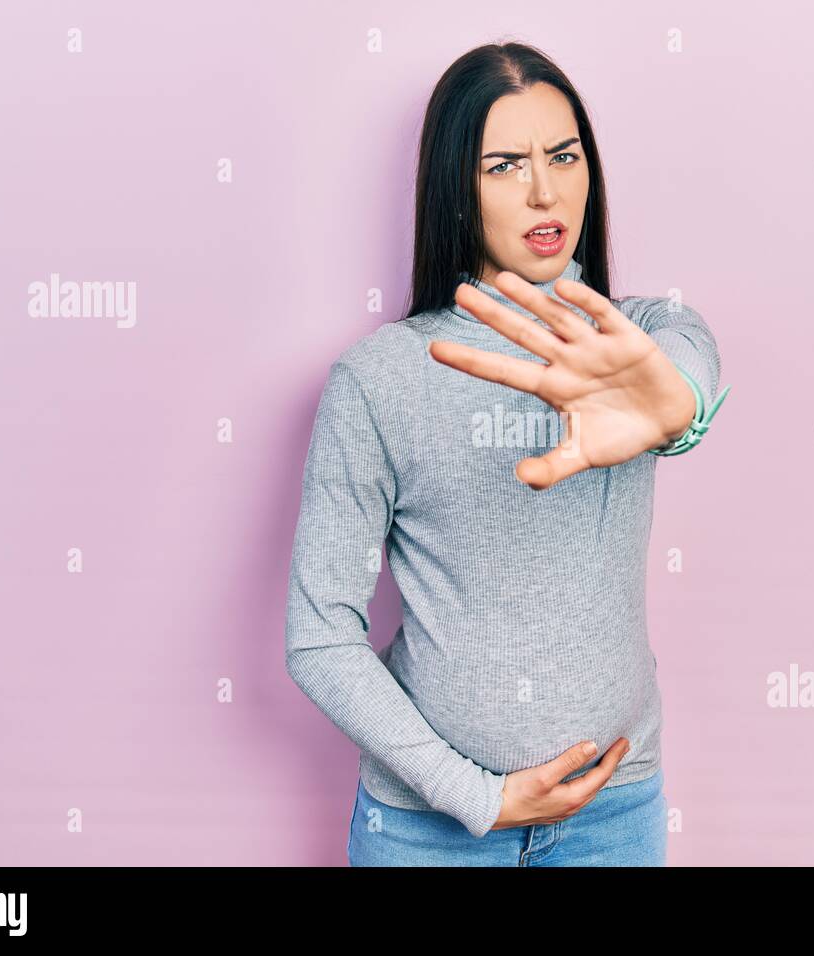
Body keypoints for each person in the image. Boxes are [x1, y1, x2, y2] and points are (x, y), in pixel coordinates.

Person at [285, 41, 725, 867]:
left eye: (565, 156)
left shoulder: (640, 341)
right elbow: (319, 637)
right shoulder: (377, 382)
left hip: (614, 815)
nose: (545, 190)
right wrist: (474, 795)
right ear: (457, 187)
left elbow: (689, 362)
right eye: (504, 165)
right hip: (427, 834)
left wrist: (678, 409)